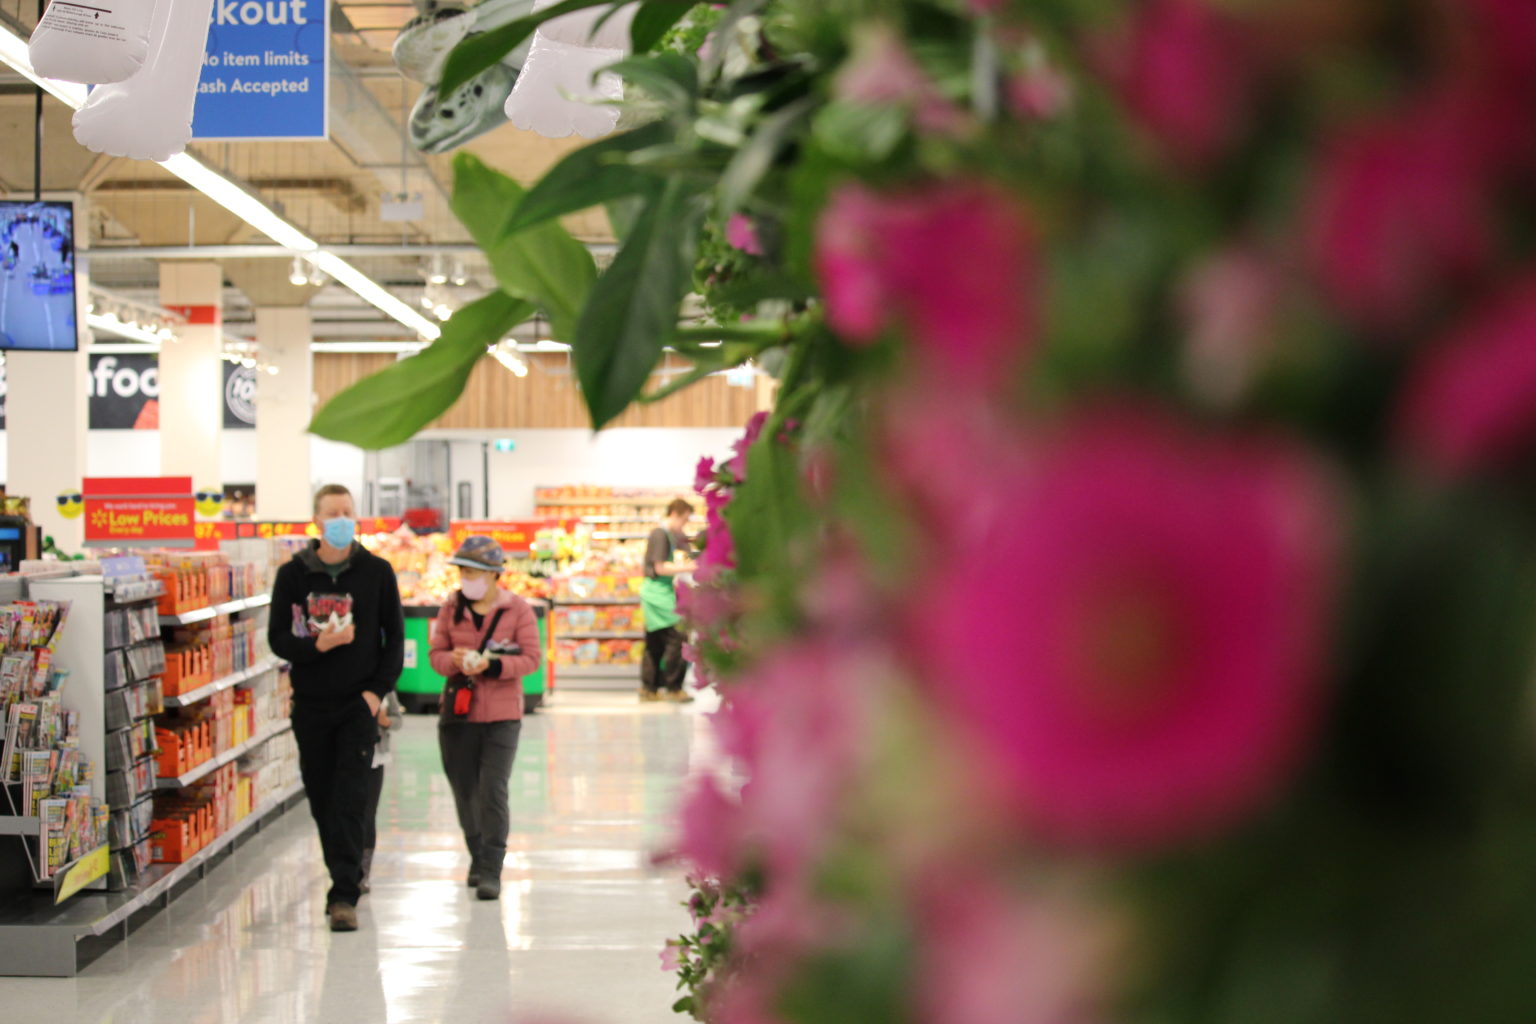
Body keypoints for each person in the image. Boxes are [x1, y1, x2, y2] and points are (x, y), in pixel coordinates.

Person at [268, 484, 405, 933]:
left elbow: (395, 640)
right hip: (310, 703)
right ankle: (341, 874)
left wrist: (375, 693)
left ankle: (343, 893)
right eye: (333, 512)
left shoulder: (377, 572)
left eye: (348, 511)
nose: (342, 518)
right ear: (317, 521)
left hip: (356, 705)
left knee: (350, 797)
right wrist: (317, 645)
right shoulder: (294, 575)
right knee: (322, 795)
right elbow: (278, 639)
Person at [430, 536, 541, 901]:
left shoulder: (518, 610)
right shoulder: (451, 608)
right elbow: (436, 655)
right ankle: (476, 856)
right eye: (463, 571)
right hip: (458, 714)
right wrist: (456, 661)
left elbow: (531, 659)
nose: (468, 579)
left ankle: (492, 867)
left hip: (502, 715)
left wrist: (493, 664)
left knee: (492, 789)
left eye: (475, 572)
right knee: (464, 790)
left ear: (495, 575)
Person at [639, 498, 696, 704]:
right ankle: (673, 687)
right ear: (675, 513)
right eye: (685, 519)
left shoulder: (669, 535)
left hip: (658, 593)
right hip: (658, 595)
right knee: (678, 637)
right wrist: (689, 568)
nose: (685, 524)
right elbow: (660, 568)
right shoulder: (660, 534)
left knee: (655, 641)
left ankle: (649, 688)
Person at [360, 689, 404, 896]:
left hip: (376, 758)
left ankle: (363, 873)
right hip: (348, 755)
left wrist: (384, 720)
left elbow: (398, 720)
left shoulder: (386, 690)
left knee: (368, 815)